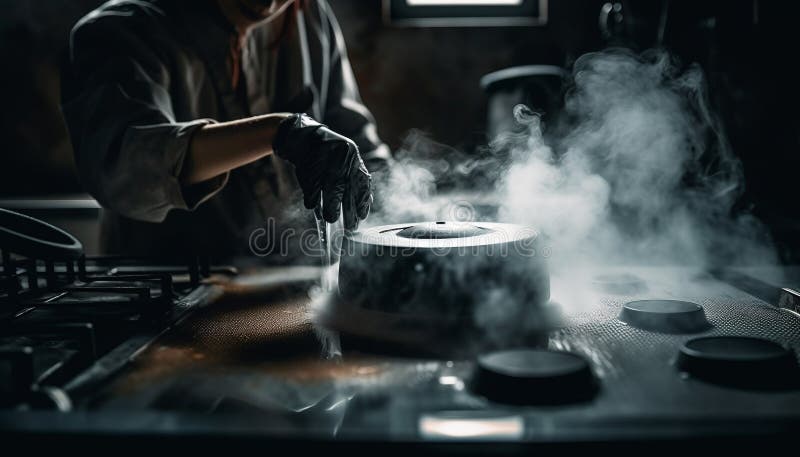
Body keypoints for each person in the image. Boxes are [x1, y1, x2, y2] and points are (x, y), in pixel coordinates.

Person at [61, 0, 390, 261]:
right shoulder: (119, 31)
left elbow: (359, 145)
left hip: (289, 287)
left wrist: (402, 215)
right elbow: (124, 171)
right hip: (170, 300)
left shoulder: (309, 16)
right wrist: (277, 132)